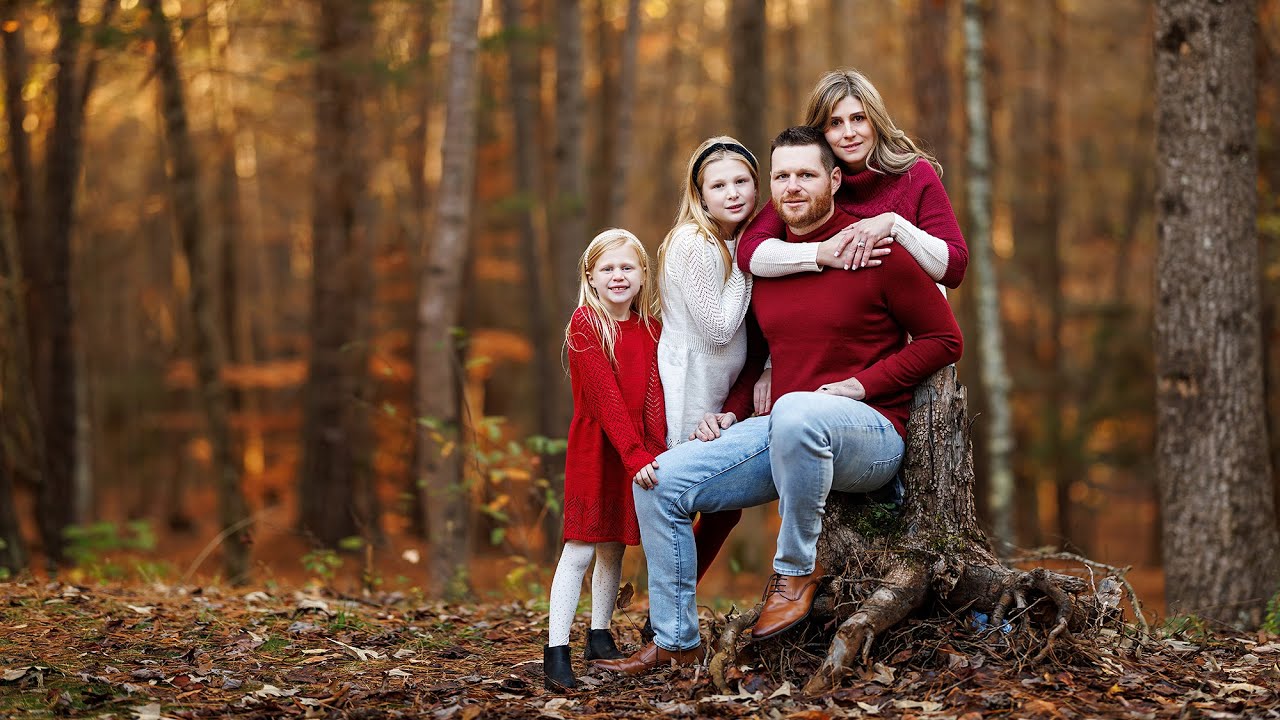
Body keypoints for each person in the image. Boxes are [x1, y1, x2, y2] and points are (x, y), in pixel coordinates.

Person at [592, 126, 963, 675]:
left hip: (872, 435)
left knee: (797, 408)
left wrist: (865, 385)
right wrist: (732, 411)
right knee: (659, 481)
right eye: (782, 176)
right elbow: (761, 356)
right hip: (786, 430)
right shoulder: (772, 264)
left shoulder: (876, 250)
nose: (792, 186)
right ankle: (674, 638)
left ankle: (795, 572)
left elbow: (945, 340)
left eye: (807, 174)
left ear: (835, 180)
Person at [688, 67, 971, 578]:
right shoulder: (807, 182)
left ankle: (809, 566)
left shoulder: (914, 176)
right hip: (825, 353)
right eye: (835, 123)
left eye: (859, 118)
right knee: (748, 451)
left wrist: (894, 226)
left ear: (876, 121)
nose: (849, 133)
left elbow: (953, 266)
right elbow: (753, 252)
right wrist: (824, 254)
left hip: (902, 342)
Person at [543, 229, 668, 690]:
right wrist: (636, 454)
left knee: (614, 543)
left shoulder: (652, 328)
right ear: (590, 277)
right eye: (608, 268)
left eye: (627, 267)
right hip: (599, 449)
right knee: (580, 546)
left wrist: (654, 450)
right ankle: (556, 650)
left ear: (641, 275)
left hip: (635, 453)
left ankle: (599, 636)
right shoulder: (585, 324)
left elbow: (655, 396)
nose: (618, 276)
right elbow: (605, 400)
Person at [654, 136, 764, 585]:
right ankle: (661, 616)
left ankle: (667, 608)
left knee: (725, 510)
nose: (733, 193)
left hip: (723, 388)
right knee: (680, 497)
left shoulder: (734, 241)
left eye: (741, 181)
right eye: (719, 186)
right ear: (700, 195)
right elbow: (718, 328)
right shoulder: (693, 242)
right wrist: (751, 257)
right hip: (688, 385)